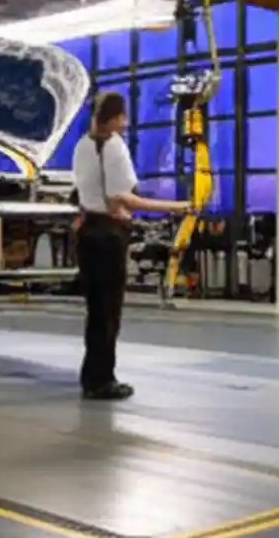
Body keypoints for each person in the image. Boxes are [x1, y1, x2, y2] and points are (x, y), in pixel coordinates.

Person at [71, 90, 189, 400]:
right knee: (109, 312)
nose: (125, 122)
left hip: (87, 233)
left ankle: (92, 376)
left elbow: (85, 192)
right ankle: (102, 380)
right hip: (108, 235)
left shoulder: (82, 145)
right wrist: (177, 207)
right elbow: (122, 198)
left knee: (96, 311)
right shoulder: (113, 147)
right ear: (113, 117)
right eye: (122, 116)